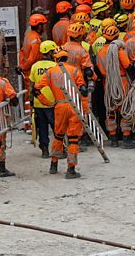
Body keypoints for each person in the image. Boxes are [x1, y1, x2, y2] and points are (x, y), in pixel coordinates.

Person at [36, 49, 85, 179]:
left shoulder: (50, 72)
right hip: (73, 105)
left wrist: (47, 102)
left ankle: (53, 165)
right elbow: (83, 90)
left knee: (58, 136)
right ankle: (71, 169)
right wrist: (83, 108)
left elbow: (36, 90)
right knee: (73, 138)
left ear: (56, 59)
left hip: (59, 106)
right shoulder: (75, 70)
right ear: (66, 58)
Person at [28, 41, 58, 158]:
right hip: (52, 102)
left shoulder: (35, 66)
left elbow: (31, 85)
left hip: (38, 102)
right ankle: (59, 148)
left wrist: (31, 100)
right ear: (50, 52)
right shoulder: (55, 66)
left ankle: (44, 150)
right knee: (57, 128)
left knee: (42, 128)